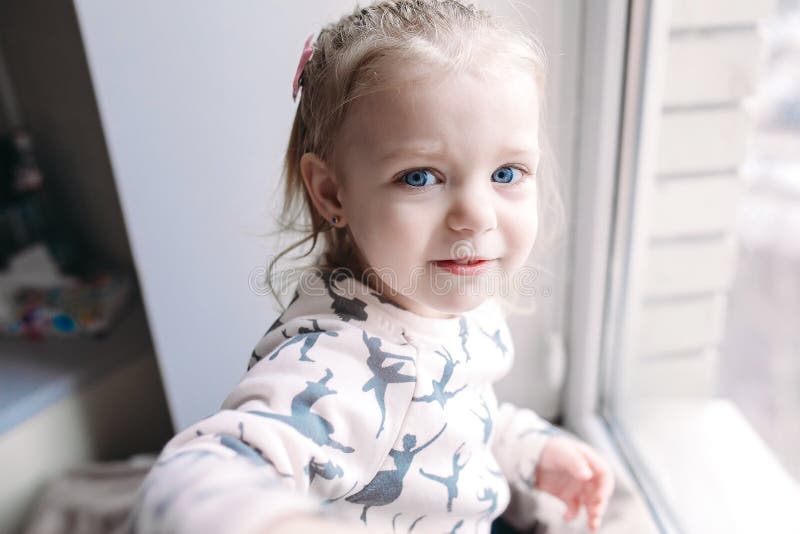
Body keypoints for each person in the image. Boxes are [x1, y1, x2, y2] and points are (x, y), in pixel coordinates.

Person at [128, 1, 615, 532]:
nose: (476, 217)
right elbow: (195, 474)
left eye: (507, 172)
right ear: (332, 191)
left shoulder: (445, 297)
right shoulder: (339, 366)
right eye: (420, 177)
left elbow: (454, 413)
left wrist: (527, 448)